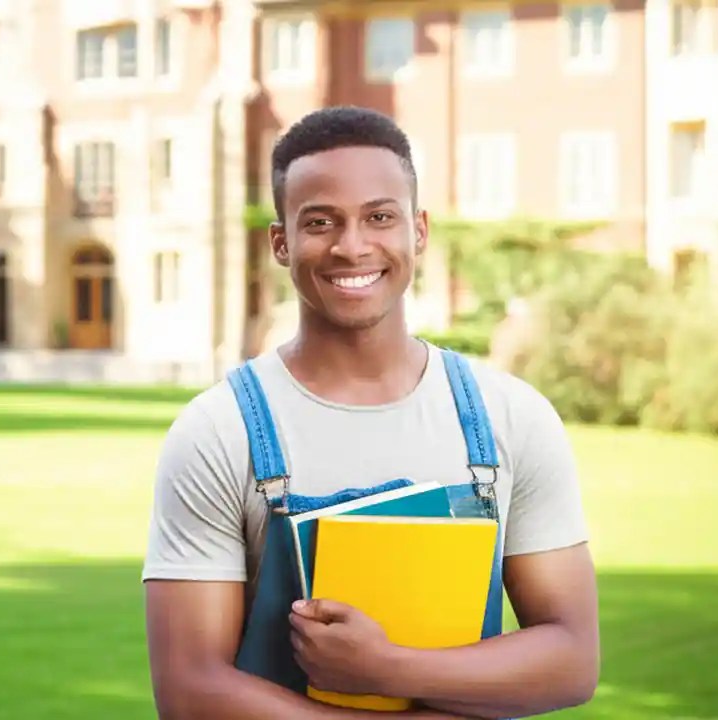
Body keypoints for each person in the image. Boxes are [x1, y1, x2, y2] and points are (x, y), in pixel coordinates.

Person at [141, 106, 598, 720]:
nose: (352, 247)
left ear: (419, 231)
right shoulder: (217, 432)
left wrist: (385, 667)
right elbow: (190, 690)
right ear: (282, 242)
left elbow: (571, 661)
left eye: (379, 217)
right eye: (321, 222)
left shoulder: (511, 417)